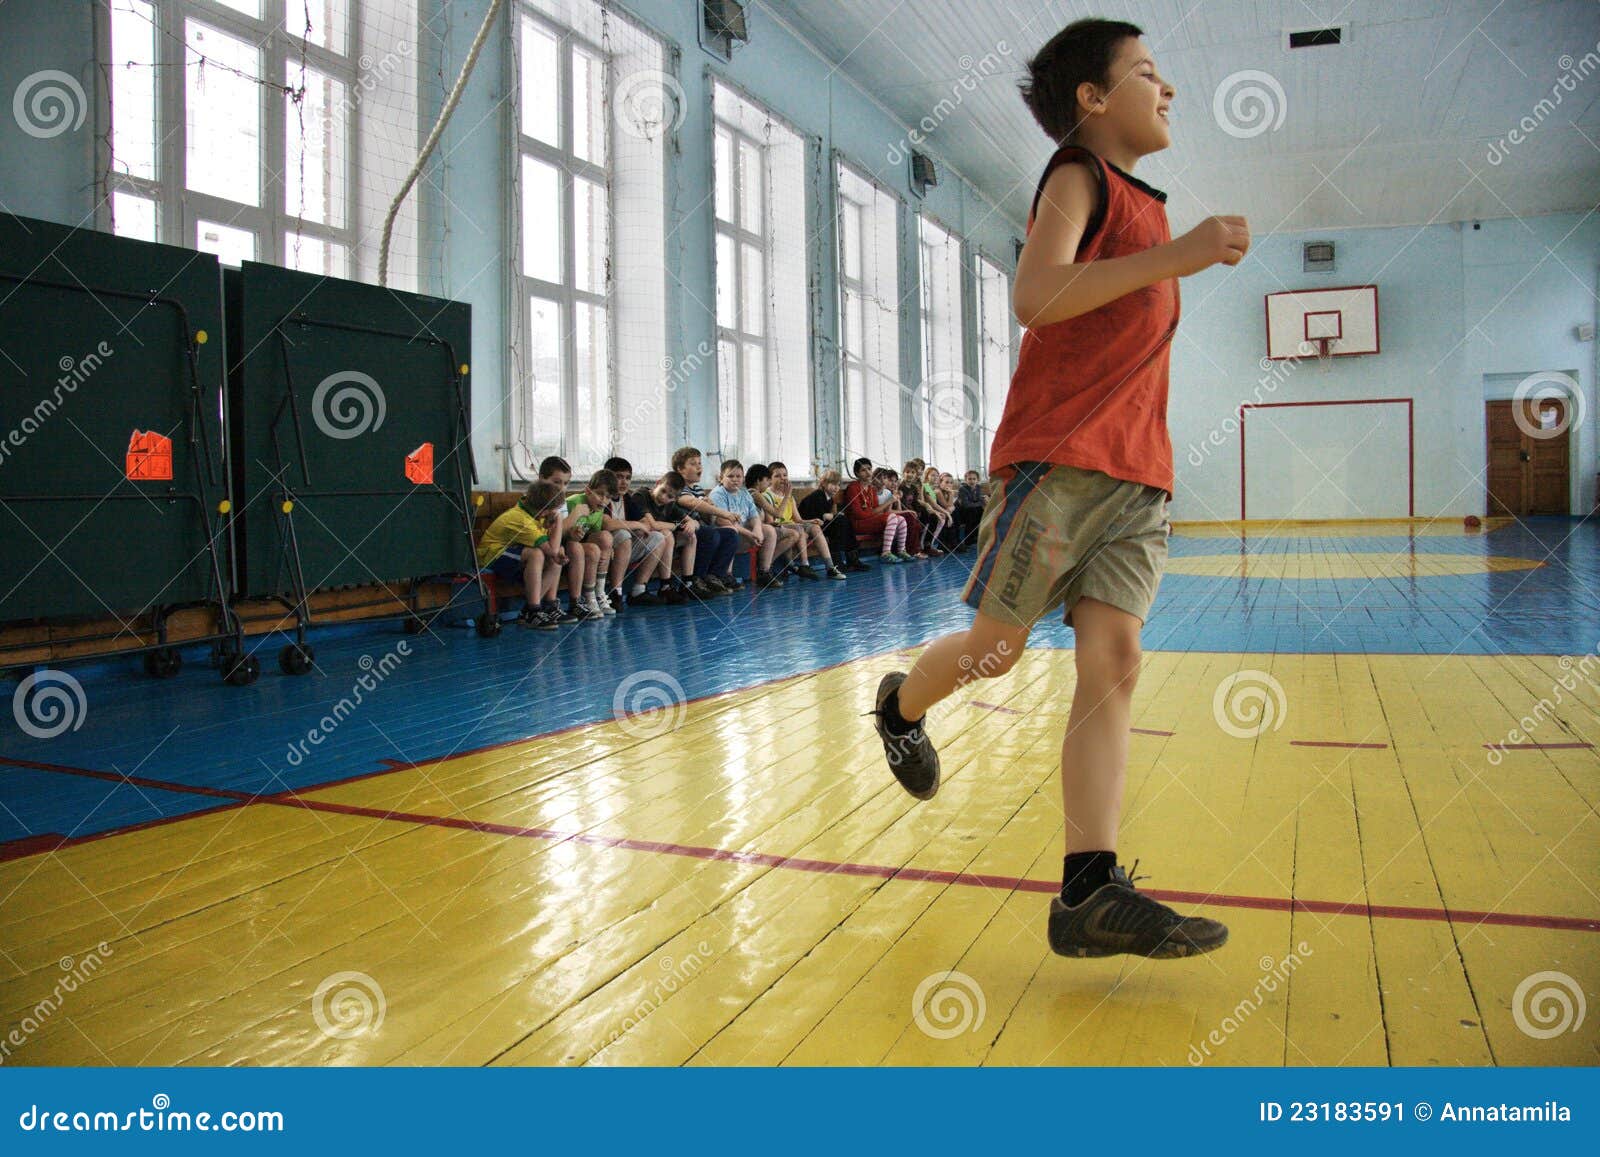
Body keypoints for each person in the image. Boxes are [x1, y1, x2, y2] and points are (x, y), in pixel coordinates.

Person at [867, 17, 1249, 960]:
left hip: (1139, 476)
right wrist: (1181, 255)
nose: (1168, 89)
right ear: (1093, 97)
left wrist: (1174, 252)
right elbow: (1036, 294)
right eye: (1148, 73)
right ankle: (900, 706)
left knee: (1114, 660)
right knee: (997, 651)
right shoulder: (1080, 178)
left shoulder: (1148, 207)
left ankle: (1088, 890)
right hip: (1059, 464)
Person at [474, 481, 566, 629]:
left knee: (555, 560)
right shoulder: (520, 519)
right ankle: (534, 610)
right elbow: (552, 550)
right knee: (537, 554)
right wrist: (559, 520)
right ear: (544, 510)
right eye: (554, 509)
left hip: (514, 556)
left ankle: (529, 611)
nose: (554, 513)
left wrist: (558, 549)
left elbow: (552, 550)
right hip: (492, 556)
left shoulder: (535, 514)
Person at [600, 457, 672, 611]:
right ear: (607, 477)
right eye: (619, 477)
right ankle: (616, 592)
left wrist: (639, 527)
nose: (624, 482)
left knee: (659, 537)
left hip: (621, 551)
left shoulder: (626, 498)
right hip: (604, 551)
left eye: (628, 478)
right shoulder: (601, 496)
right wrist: (636, 525)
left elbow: (645, 522)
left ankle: (638, 590)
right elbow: (607, 524)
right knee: (622, 534)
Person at [670, 446, 740, 594]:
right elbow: (690, 502)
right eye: (693, 463)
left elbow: (706, 519)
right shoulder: (676, 485)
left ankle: (714, 576)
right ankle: (697, 578)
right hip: (677, 526)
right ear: (680, 469)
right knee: (710, 534)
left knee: (730, 534)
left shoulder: (697, 489)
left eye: (700, 463)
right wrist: (724, 513)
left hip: (697, 527)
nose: (699, 467)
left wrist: (710, 507)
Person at [624, 470, 701, 604]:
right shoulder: (641, 495)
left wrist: (691, 524)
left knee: (690, 536)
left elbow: (694, 523)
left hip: (657, 540)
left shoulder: (670, 504)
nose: (664, 497)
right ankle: (665, 585)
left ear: (674, 499)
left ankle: (687, 583)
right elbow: (652, 525)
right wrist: (677, 525)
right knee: (666, 534)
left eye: (670, 496)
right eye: (663, 491)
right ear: (658, 483)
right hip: (638, 539)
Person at [708, 459, 780, 589]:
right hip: (724, 537)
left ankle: (764, 572)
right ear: (721, 478)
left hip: (742, 534)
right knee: (732, 531)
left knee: (769, 530)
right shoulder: (717, 494)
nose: (735, 480)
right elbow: (722, 521)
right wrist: (748, 533)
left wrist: (757, 530)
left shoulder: (744, 492)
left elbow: (754, 515)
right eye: (730, 476)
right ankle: (726, 575)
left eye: (738, 476)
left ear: (743, 478)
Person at [768, 462, 847, 579]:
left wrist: (811, 520)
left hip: (793, 525)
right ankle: (804, 564)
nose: (782, 478)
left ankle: (830, 567)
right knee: (801, 530)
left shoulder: (789, 497)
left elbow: (798, 519)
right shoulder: (768, 495)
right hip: (780, 527)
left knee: (815, 527)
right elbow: (772, 521)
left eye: (785, 475)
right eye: (777, 476)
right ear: (769, 479)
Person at [562, 469, 618, 620]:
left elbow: (594, 534)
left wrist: (608, 548)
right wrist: (571, 533)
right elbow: (559, 531)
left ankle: (599, 592)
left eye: (608, 497)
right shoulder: (573, 503)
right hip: (564, 547)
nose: (603, 500)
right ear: (587, 490)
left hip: (579, 546)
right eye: (600, 494)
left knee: (606, 537)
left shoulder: (599, 510)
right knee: (593, 550)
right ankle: (589, 597)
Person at [746, 463, 811, 581]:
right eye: (767, 480)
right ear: (758, 481)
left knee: (794, 533)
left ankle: (772, 564)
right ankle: (765, 566)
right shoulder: (755, 494)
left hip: (761, 527)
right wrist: (787, 495)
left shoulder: (755, 493)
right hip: (754, 530)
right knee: (793, 534)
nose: (769, 483)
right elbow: (778, 514)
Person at [798, 468, 868, 572]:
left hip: (820, 525)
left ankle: (853, 559)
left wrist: (832, 516)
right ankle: (837, 562)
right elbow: (820, 516)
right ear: (824, 483)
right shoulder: (818, 495)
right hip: (809, 526)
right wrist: (832, 516)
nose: (836, 487)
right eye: (833, 484)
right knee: (840, 523)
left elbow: (827, 517)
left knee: (845, 522)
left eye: (838, 485)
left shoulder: (829, 499)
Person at [954, 469, 985, 550]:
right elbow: (966, 504)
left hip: (973, 509)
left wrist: (980, 503)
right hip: (962, 511)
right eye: (970, 479)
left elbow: (980, 500)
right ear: (966, 480)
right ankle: (968, 539)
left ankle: (976, 537)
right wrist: (979, 503)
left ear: (977, 480)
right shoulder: (962, 489)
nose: (972, 481)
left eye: (974, 479)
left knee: (981, 511)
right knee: (973, 511)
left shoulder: (978, 487)